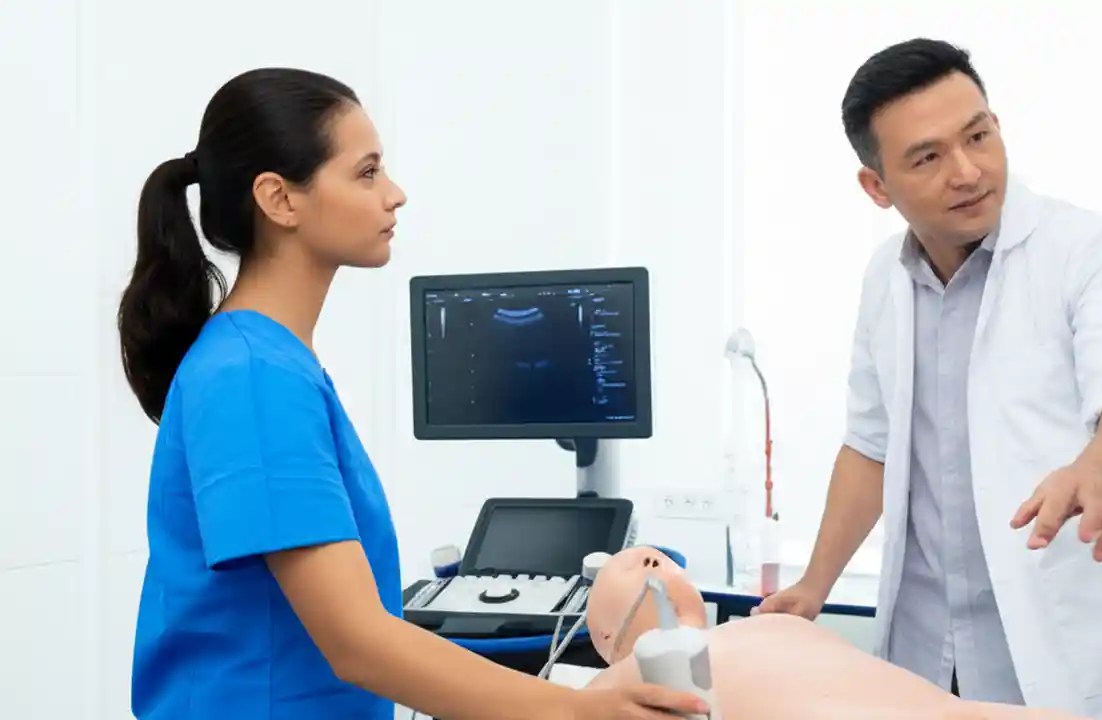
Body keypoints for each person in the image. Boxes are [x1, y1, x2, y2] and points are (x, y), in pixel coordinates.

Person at [117, 67, 708, 720]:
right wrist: (574, 711)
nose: (394, 195)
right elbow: (356, 642)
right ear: (279, 199)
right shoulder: (252, 376)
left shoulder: (268, 362)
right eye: (367, 173)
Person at [752, 39, 1102, 720]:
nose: (968, 172)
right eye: (927, 158)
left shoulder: (1091, 251)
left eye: (978, 136)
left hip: (1065, 656)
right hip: (927, 657)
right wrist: (814, 584)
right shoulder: (885, 279)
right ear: (877, 187)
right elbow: (870, 447)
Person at [582, 546, 1089, 720]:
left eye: (660, 560)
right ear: (605, 641)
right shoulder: (619, 684)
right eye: (633, 566)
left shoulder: (770, 625)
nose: (653, 564)